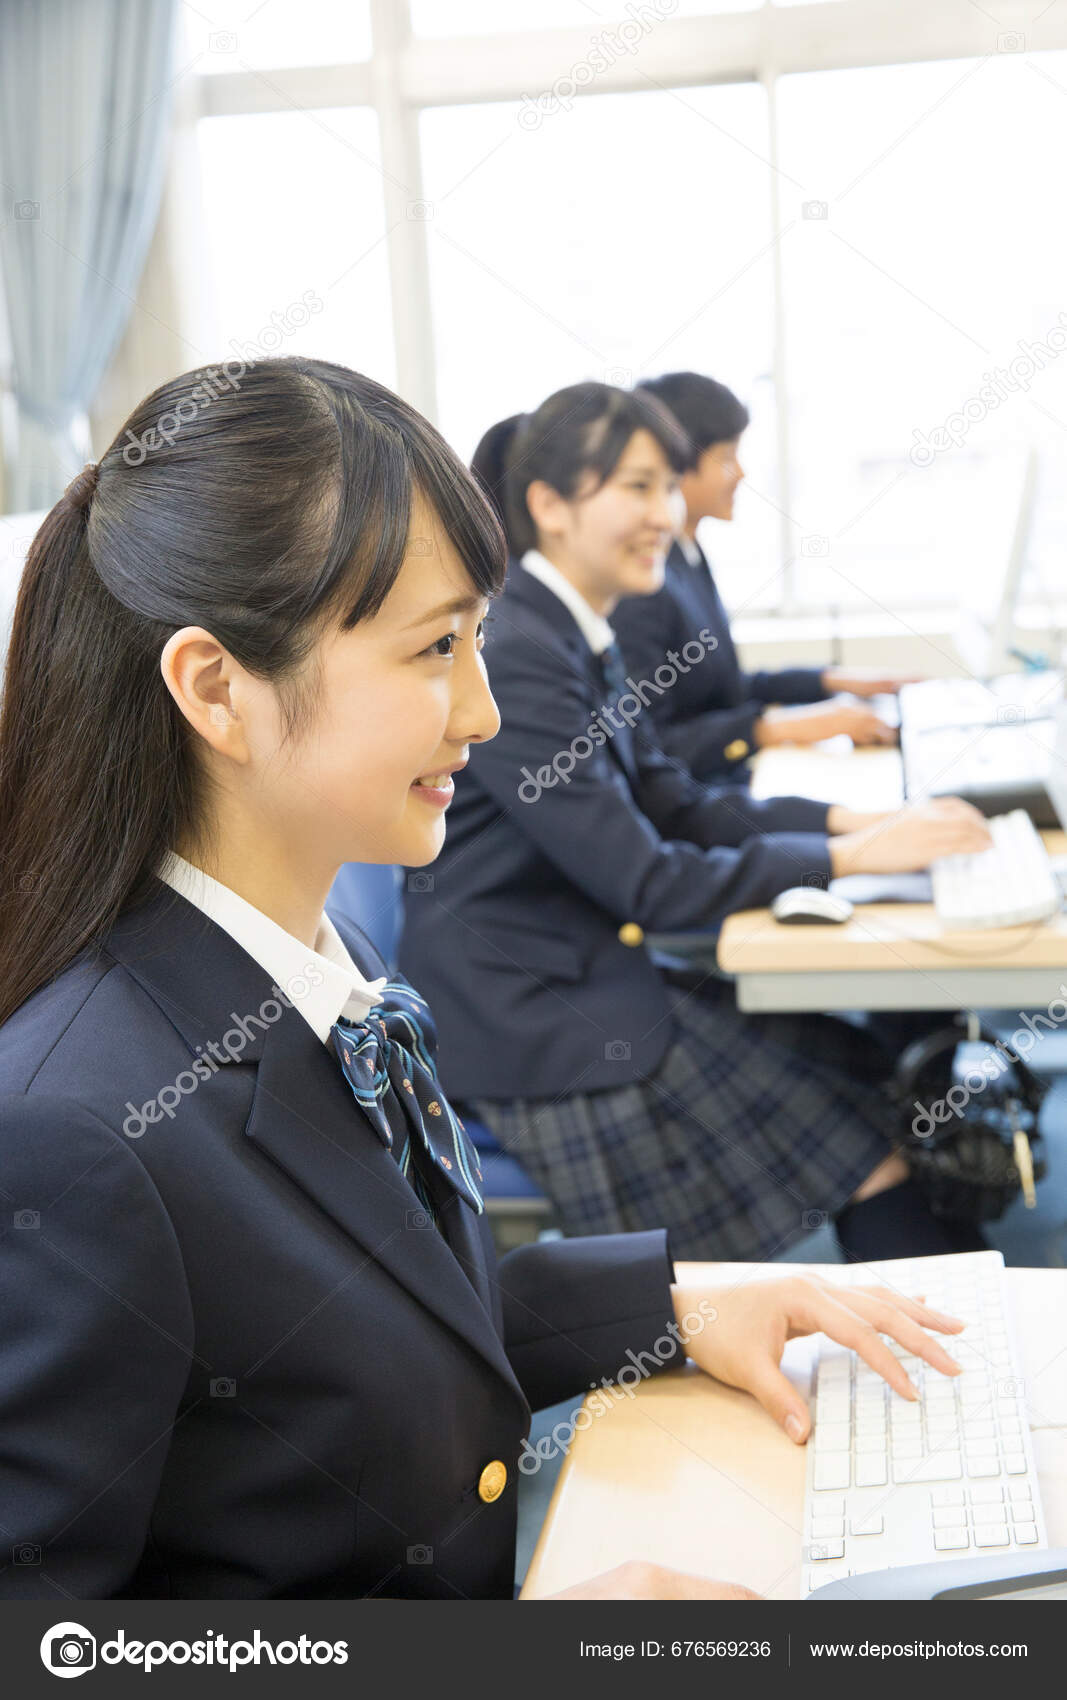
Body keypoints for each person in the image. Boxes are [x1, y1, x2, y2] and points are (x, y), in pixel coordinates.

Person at [0, 357, 964, 1603]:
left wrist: (672, 1303)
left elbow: (371, 1317)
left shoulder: (317, 974)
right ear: (215, 689)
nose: (485, 709)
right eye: (437, 647)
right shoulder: (73, 1131)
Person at [401, 381, 992, 1269]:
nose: (664, 513)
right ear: (550, 507)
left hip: (589, 969)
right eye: (636, 487)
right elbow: (648, 881)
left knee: (874, 1072)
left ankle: (966, 1323)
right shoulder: (522, 651)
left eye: (665, 487)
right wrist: (845, 855)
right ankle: (947, 1356)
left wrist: (858, 823)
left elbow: (678, 800)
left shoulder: (571, 630)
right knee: (867, 1141)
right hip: (539, 1021)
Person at [610, 371, 917, 784]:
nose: (741, 472)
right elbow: (652, 745)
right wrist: (778, 729)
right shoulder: (643, 585)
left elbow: (727, 687)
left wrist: (834, 681)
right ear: (677, 460)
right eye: (727, 456)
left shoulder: (688, 555)